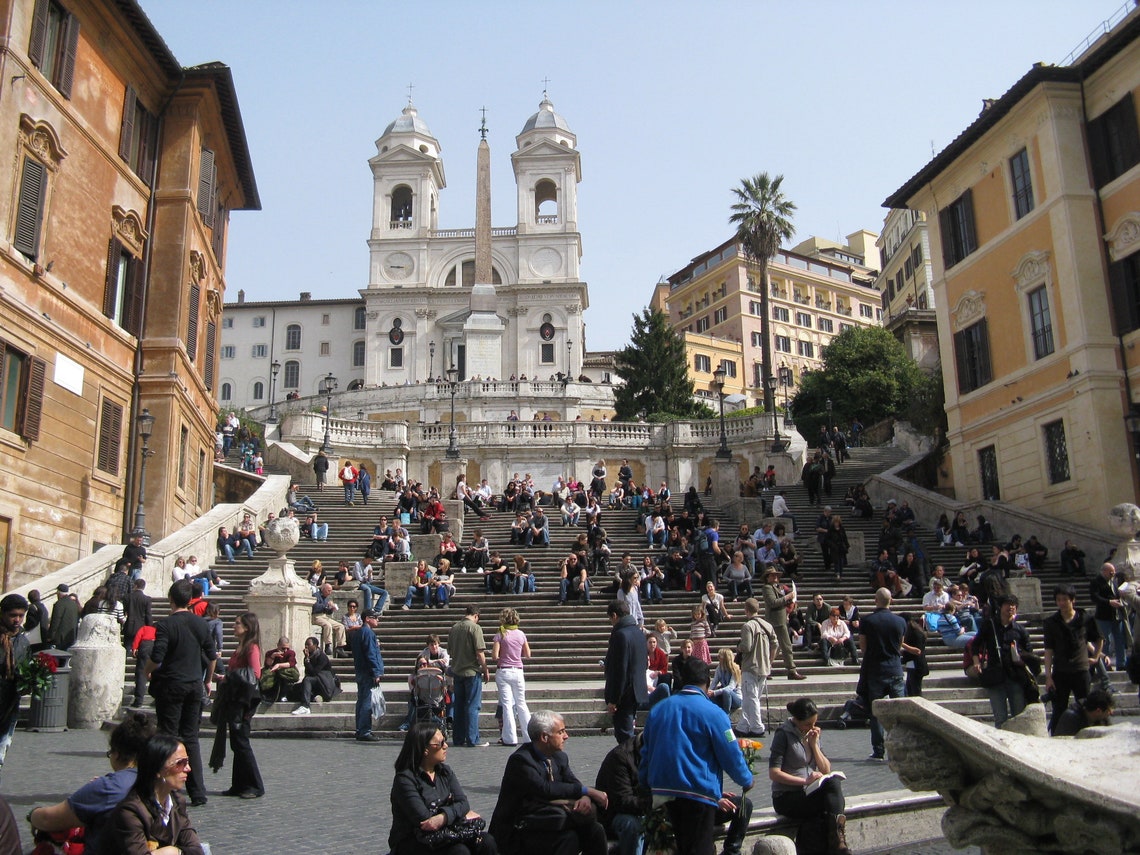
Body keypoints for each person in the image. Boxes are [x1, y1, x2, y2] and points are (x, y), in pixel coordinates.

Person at [640, 656, 753, 855]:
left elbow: (646, 751)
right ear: (707, 682)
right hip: (697, 793)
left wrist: (645, 783)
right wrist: (746, 779)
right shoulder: (715, 713)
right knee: (698, 848)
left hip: (661, 793)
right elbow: (730, 753)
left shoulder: (658, 710)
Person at [28, 711, 155, 854]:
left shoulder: (109, 787)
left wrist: (32, 814)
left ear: (117, 753)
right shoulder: (160, 781)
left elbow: (48, 819)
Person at [488, 710, 609, 855]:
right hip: (520, 829)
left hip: (551, 823)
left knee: (596, 830)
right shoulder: (521, 761)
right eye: (561, 732)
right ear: (544, 737)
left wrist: (585, 797)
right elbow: (545, 789)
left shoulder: (559, 757)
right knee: (569, 839)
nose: (566, 736)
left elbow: (573, 782)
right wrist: (587, 791)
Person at [145, 579, 215, 806]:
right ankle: (198, 792)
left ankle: (165, 789)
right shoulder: (201, 624)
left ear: (171, 600)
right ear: (191, 600)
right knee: (191, 738)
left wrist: (147, 671)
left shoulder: (165, 625)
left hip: (171, 686)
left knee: (168, 737)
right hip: (194, 684)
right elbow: (213, 657)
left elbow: (157, 657)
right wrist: (208, 680)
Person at [389, 722, 498, 854]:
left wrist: (444, 817)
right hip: (414, 840)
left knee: (487, 842)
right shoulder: (405, 780)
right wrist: (456, 813)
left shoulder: (445, 772)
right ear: (425, 749)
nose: (445, 746)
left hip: (448, 833)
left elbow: (463, 803)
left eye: (445, 741)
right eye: (440, 743)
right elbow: (425, 820)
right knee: (459, 852)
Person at [768, 697, 850, 855]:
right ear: (796, 720)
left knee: (832, 783)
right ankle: (837, 842)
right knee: (826, 806)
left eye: (814, 723)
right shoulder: (783, 735)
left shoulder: (812, 734)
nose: (812, 728)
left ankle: (836, 839)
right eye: (807, 724)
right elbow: (774, 773)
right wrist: (804, 780)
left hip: (808, 792)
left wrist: (814, 744)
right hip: (786, 796)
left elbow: (826, 769)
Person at [110, 734, 205, 854]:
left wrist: (174, 852)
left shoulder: (177, 801)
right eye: (180, 763)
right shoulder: (130, 811)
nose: (188, 768)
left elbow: (196, 850)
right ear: (158, 770)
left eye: (187, 761)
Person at [212, 612, 265, 799]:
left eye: (237, 623)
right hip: (233, 699)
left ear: (247, 628)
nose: (234, 626)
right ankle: (238, 784)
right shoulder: (241, 646)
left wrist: (231, 676)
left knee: (242, 743)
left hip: (244, 702)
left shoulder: (252, 648)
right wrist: (225, 677)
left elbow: (254, 675)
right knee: (236, 743)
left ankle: (256, 786)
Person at [1043, 583, 1102, 734]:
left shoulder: (1085, 618)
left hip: (1081, 669)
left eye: (1065, 599)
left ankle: (1086, 734)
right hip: (1060, 671)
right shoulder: (1051, 622)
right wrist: (1048, 676)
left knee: (1084, 706)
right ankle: (1056, 736)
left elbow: (1098, 639)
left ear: (1072, 600)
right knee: (1059, 708)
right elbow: (1048, 650)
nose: (1061, 603)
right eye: (1058, 600)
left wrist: (1095, 657)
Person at [858, 588, 908, 762]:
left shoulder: (867, 621)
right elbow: (900, 645)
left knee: (877, 713)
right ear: (891, 600)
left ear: (875, 600)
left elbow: (863, 648)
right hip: (895, 669)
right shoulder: (900, 621)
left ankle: (878, 750)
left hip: (875, 670)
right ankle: (901, 749)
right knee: (900, 712)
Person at [604, 600, 649, 744]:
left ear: (615, 615)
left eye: (610, 618)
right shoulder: (638, 633)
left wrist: (613, 699)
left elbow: (620, 670)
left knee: (624, 736)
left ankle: (630, 764)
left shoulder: (620, 635)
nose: (611, 622)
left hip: (624, 694)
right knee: (628, 730)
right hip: (636, 690)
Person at [449, 605, 490, 747]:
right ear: (476, 616)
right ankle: (473, 739)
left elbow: (450, 651)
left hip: (457, 671)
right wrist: (485, 669)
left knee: (458, 705)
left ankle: (458, 738)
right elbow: (480, 652)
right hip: (472, 672)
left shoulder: (454, 628)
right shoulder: (475, 628)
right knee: (473, 706)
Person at [736, 597, 776, 738]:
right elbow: (775, 644)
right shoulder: (767, 625)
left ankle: (757, 727)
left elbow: (747, 647)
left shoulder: (748, 626)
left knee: (751, 696)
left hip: (750, 665)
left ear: (746, 610)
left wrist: (738, 648)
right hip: (764, 667)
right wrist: (770, 661)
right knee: (751, 697)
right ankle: (743, 725)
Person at [493, 607, 532, 746]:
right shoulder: (521, 634)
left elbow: (495, 656)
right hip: (518, 671)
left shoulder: (500, 633)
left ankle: (510, 737)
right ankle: (529, 736)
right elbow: (528, 654)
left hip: (504, 671)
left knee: (507, 705)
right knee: (521, 703)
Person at [761, 566, 805, 680]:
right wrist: (787, 597)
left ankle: (766, 670)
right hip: (775, 621)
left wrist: (789, 600)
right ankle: (791, 670)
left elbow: (780, 602)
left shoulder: (776, 587)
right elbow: (773, 602)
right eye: (773, 575)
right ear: (767, 577)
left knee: (777, 647)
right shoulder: (767, 588)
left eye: (776, 575)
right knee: (785, 646)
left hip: (780, 620)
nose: (775, 577)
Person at [350, 608, 385, 742]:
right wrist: (376, 672)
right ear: (367, 619)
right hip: (368, 672)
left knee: (361, 701)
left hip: (360, 670)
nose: (377, 620)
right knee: (366, 702)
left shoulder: (359, 633)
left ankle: (359, 729)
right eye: (375, 617)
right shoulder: (368, 633)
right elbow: (371, 654)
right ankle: (365, 731)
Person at [1090, 562, 1128, 671]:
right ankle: (1104, 664)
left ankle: (1121, 663)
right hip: (1103, 616)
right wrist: (1109, 602)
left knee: (1120, 640)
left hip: (1116, 615)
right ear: (1104, 571)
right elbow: (1094, 597)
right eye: (1111, 572)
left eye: (1114, 572)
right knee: (1104, 641)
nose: (1113, 574)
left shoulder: (1114, 582)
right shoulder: (1096, 582)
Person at [291, 636, 339, 716]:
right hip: (316, 681)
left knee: (307, 680)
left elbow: (314, 672)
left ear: (315, 645)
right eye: (305, 644)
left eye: (309, 644)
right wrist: (307, 659)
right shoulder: (308, 657)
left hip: (325, 683)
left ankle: (305, 706)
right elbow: (308, 672)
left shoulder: (322, 657)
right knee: (296, 688)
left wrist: (307, 659)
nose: (306, 646)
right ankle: (314, 696)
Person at [312, 583, 349, 657]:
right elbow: (315, 607)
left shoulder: (326, 598)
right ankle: (328, 645)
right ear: (324, 590)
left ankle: (340, 646)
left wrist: (331, 608)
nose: (330, 592)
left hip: (324, 616)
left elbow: (327, 612)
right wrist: (326, 606)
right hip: (316, 616)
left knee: (340, 626)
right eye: (329, 591)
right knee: (327, 625)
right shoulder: (316, 596)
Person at [708, 647, 743, 715]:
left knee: (726, 691)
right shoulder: (719, 668)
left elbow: (730, 687)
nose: (718, 658)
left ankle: (726, 714)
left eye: (720, 656)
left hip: (736, 698)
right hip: (723, 696)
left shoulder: (735, 669)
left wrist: (715, 692)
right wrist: (708, 691)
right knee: (709, 698)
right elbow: (714, 682)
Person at [49, 584, 80, 650]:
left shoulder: (59, 604)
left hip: (60, 639)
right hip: (72, 637)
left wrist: (50, 636)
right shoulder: (73, 604)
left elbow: (55, 621)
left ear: (58, 593)